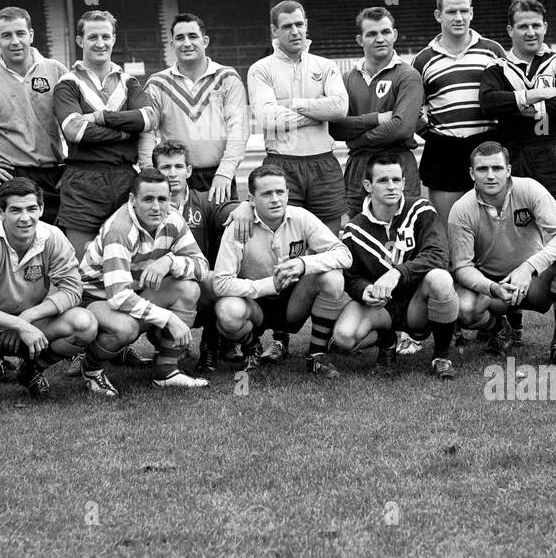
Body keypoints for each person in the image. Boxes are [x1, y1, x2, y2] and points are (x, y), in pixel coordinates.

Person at [478, 0, 556, 355]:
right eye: (522, 26)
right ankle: (512, 329)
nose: (530, 31)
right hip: (515, 161)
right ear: (510, 31)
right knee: (513, 248)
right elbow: (488, 102)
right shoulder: (497, 68)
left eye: (536, 25)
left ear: (545, 27)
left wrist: (516, 103)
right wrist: (537, 95)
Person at [0, 177, 98, 406]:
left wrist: (28, 318)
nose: (25, 218)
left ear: (41, 208)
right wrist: (16, 324)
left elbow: (72, 289)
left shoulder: (53, 237)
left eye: (31, 209)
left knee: (84, 323)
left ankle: (30, 371)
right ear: (0, 212)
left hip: (34, 324)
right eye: (15, 210)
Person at [448, 141, 556, 369]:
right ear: (472, 173)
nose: (490, 176)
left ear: (508, 170)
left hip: (534, 284)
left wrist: (528, 268)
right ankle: (499, 329)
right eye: (482, 169)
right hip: (496, 290)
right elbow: (462, 267)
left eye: (497, 168)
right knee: (464, 308)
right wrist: (493, 288)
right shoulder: (461, 209)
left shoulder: (530, 189)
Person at [76, 168, 209, 394]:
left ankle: (166, 373)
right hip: (94, 296)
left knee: (188, 288)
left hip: (133, 292)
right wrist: (169, 319)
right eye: (148, 199)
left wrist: (170, 261)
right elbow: (118, 297)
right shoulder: (120, 229)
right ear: (133, 200)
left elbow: (202, 267)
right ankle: (91, 370)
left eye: (162, 199)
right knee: (125, 328)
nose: (156, 207)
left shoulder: (173, 219)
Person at [213, 164, 351, 378]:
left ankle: (316, 355)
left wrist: (304, 264)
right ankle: (252, 349)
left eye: (280, 192)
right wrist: (270, 285)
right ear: (251, 199)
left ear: (287, 193)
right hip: (254, 302)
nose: (275, 199)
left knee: (333, 278)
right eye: (267, 193)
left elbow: (344, 254)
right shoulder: (238, 226)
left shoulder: (301, 217)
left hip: (294, 301)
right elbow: (221, 282)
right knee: (227, 311)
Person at [330, 154, 459, 380]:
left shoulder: (421, 209)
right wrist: (365, 291)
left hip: (418, 303)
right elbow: (351, 278)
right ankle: (388, 341)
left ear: (403, 182)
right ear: (368, 185)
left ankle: (441, 356)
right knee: (344, 337)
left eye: (396, 180)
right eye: (383, 181)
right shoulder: (354, 229)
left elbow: (438, 254)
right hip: (382, 307)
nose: (391, 187)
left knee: (441, 278)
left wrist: (397, 273)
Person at [52, 10, 155, 259]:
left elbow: (149, 118)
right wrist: (124, 133)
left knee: (126, 258)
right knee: (82, 264)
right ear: (80, 41)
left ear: (114, 39)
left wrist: (101, 118)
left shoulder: (129, 82)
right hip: (82, 180)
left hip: (124, 178)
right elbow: (75, 130)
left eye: (106, 36)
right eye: (92, 37)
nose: (100, 43)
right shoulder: (67, 83)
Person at [247, 0, 348, 232]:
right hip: (282, 164)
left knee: (329, 240)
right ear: (274, 30)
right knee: (286, 238)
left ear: (306, 25)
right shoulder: (261, 69)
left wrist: (291, 105)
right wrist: (320, 113)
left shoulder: (326, 66)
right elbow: (269, 119)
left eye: (299, 24)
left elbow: (340, 108)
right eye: (286, 26)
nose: (295, 31)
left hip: (323, 161)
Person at [0, 7, 68, 224]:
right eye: (6, 35)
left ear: (31, 34)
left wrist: (73, 167)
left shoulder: (56, 70)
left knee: (52, 249)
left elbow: (74, 123)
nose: (15, 41)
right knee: (6, 252)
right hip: (6, 176)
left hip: (51, 176)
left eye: (20, 33)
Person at [412, 0, 505, 224]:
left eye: (464, 11)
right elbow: (412, 110)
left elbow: (507, 100)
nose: (459, 17)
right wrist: (432, 135)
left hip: (487, 144)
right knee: (449, 225)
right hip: (444, 150)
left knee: (493, 224)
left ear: (472, 13)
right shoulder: (423, 60)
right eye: (451, 12)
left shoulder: (493, 51)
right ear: (438, 15)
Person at [137, 13, 249, 203]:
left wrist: (225, 172)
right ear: (172, 44)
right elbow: (146, 132)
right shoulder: (157, 83)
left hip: (218, 176)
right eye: (180, 38)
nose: (186, 43)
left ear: (205, 41)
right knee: (175, 232)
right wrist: (151, 174)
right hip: (174, 177)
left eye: (193, 36)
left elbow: (239, 129)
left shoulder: (227, 78)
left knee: (223, 232)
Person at [149, 139, 239, 373]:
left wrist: (246, 209)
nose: (172, 174)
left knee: (214, 281)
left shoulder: (204, 201)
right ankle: (162, 345)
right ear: (155, 172)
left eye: (178, 167)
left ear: (189, 170)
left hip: (199, 281)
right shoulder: (148, 207)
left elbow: (230, 209)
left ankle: (211, 348)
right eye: (165, 168)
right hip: (161, 287)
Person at [329, 6, 424, 217]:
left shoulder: (408, 75)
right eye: (371, 34)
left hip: (398, 164)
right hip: (359, 168)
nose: (380, 38)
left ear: (395, 35)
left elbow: (402, 128)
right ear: (359, 40)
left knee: (401, 233)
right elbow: (335, 127)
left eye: (385, 32)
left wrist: (358, 140)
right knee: (357, 233)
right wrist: (376, 119)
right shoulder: (346, 79)